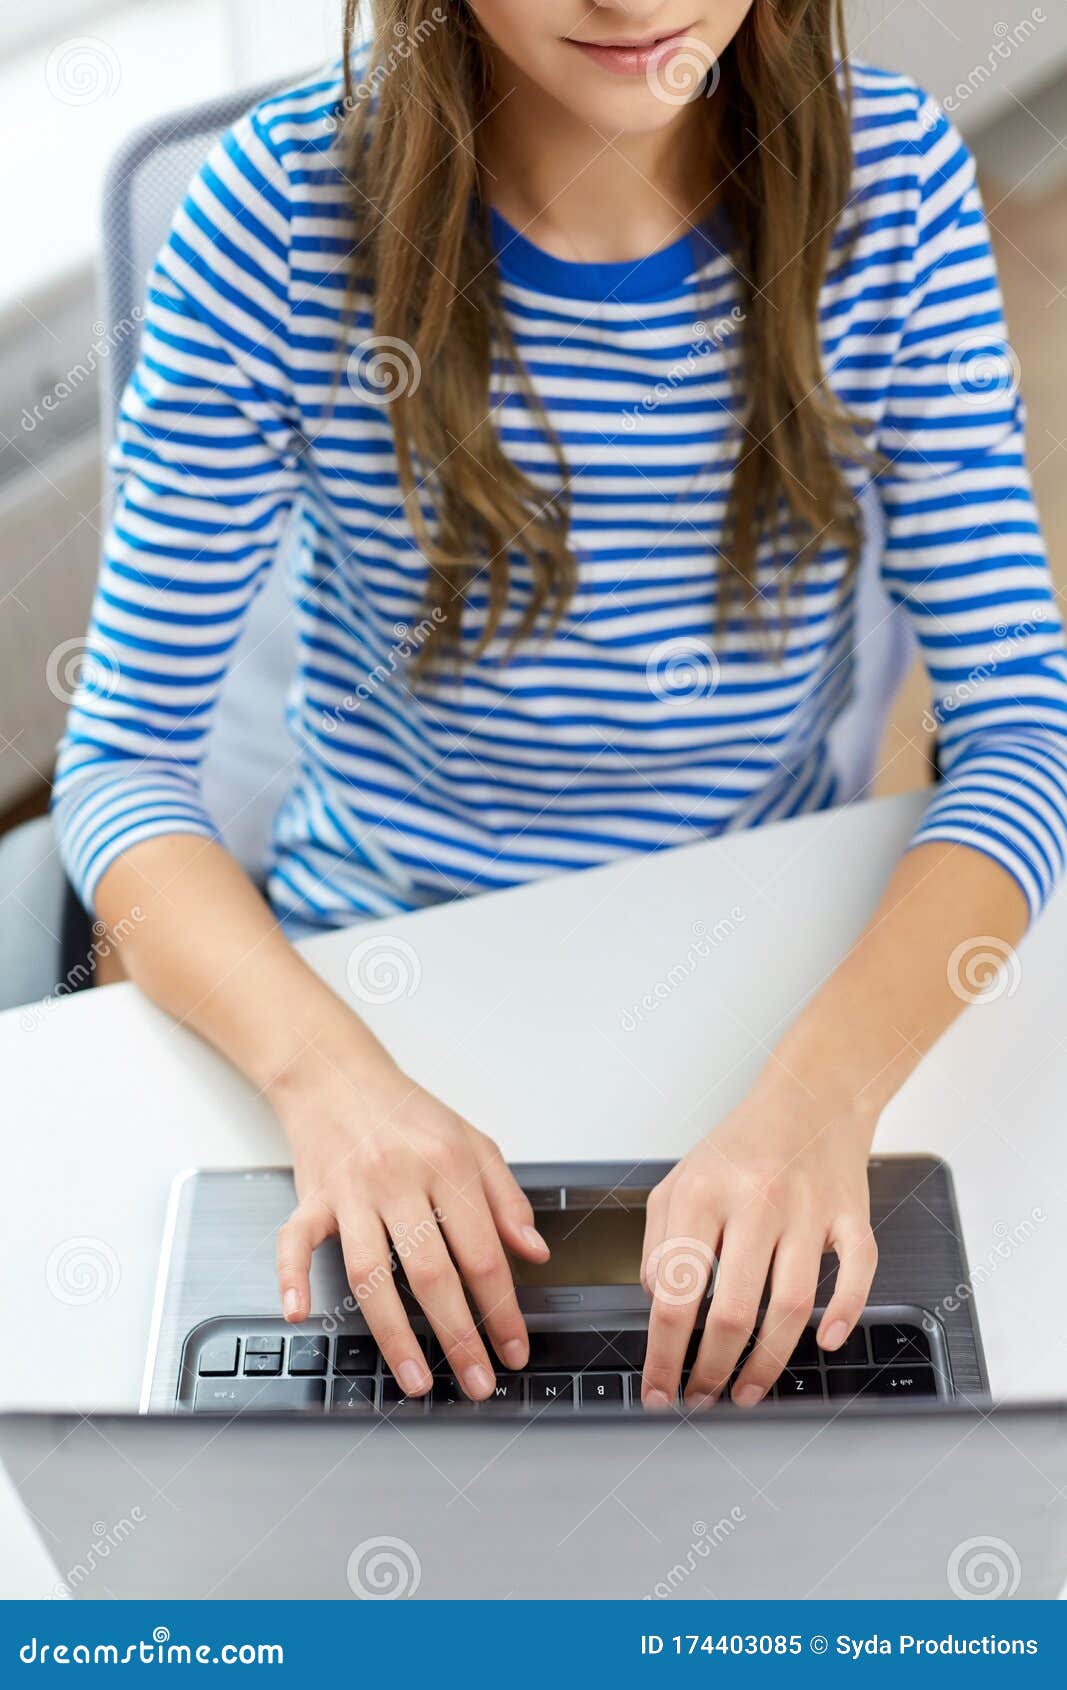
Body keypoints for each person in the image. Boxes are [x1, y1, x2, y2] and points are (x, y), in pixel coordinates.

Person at [54, 2, 1067, 1410]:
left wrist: (825, 1096)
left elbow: (1021, 736)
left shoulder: (891, 186)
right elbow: (120, 768)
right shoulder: (275, 219)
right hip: (380, 982)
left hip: (771, 995)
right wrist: (331, 1085)